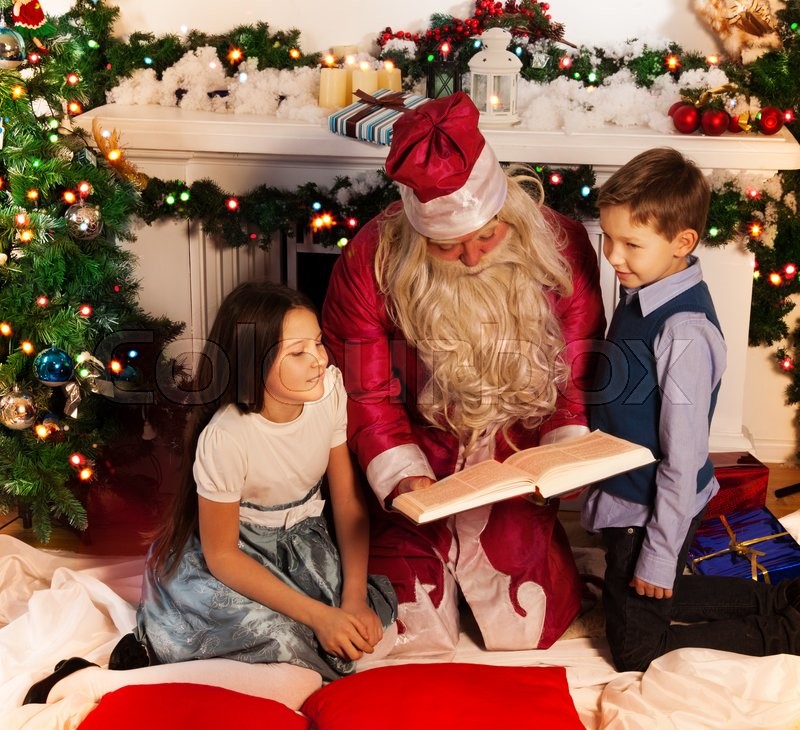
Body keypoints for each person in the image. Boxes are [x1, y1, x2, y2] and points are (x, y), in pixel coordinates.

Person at [322, 91, 606, 656]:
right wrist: (403, 474)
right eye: (449, 247)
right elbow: (365, 388)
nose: (474, 259)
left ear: (509, 213)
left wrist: (562, 453)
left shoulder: (561, 246)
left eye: (487, 236)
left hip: (514, 464)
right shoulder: (371, 260)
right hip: (422, 458)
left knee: (525, 629)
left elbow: (577, 370)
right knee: (408, 638)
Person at [23, 281, 397, 708]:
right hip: (233, 560)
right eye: (298, 352)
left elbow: (347, 502)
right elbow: (223, 556)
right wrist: (317, 614)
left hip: (300, 548)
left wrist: (350, 601)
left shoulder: (328, 391)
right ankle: (94, 683)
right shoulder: (228, 437)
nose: (319, 360)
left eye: (318, 343)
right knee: (300, 676)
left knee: (362, 641)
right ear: (253, 364)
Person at [581, 146, 800, 672]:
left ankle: (783, 629)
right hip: (628, 494)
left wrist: (657, 555)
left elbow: (680, 461)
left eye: (631, 243)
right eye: (608, 238)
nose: (613, 255)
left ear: (683, 243)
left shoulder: (683, 332)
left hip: (655, 503)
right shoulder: (641, 288)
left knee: (635, 649)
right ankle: (770, 596)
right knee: (633, 596)